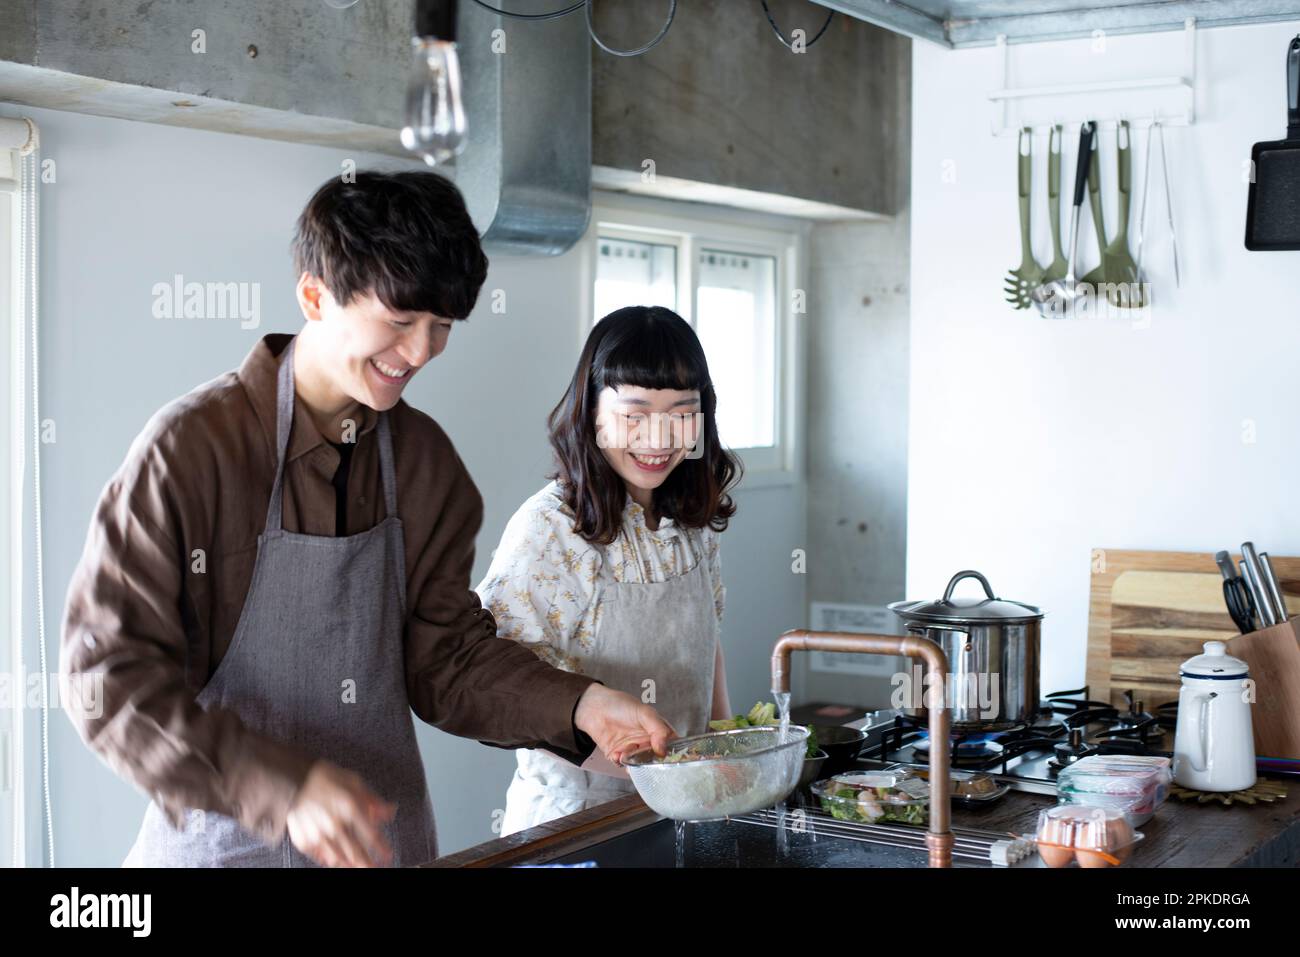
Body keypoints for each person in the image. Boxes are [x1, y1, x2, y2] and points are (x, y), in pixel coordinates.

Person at [58, 171, 673, 868]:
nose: (419, 353)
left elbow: (446, 661)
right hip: (219, 850)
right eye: (400, 320)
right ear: (315, 295)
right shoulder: (189, 452)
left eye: (441, 327)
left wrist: (579, 704)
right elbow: (106, 677)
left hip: (384, 849)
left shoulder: (427, 466)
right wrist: (282, 787)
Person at [476, 305, 741, 835]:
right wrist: (672, 773)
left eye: (682, 411)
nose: (659, 438)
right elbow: (505, 689)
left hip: (684, 804)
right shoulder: (549, 529)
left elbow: (706, 645)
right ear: (592, 411)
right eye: (635, 414)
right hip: (576, 818)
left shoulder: (688, 518)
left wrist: (727, 745)